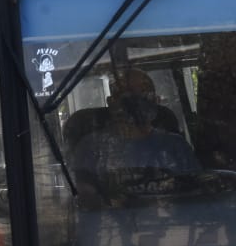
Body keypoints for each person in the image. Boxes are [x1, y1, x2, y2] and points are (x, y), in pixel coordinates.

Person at [72, 68, 199, 208]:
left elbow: (196, 196)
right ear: (112, 102)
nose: (137, 103)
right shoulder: (91, 148)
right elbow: (87, 203)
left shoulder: (176, 146)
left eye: (145, 94)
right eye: (128, 96)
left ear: (156, 100)